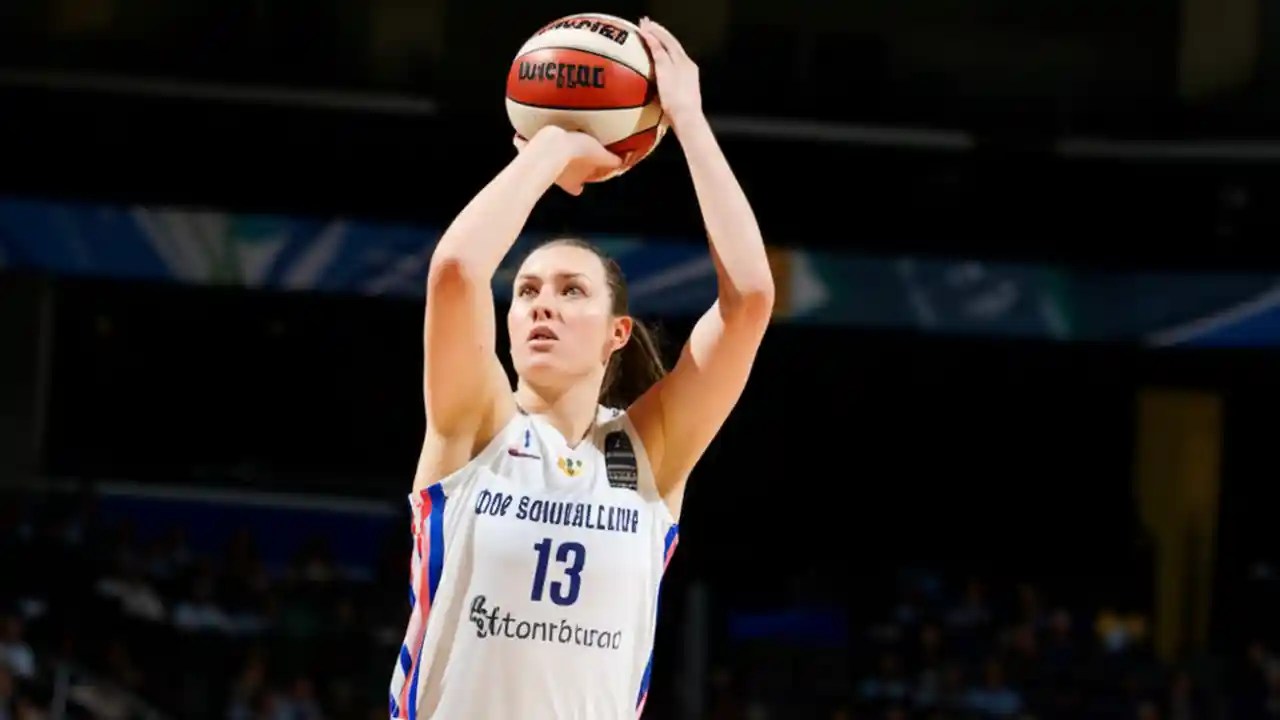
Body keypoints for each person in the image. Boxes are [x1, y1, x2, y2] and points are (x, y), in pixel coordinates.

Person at [388, 18, 774, 719]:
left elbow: (749, 299)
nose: (543, 304)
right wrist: (552, 149)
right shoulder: (474, 429)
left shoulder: (649, 453)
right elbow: (456, 271)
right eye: (526, 291)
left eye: (571, 292)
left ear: (616, 333)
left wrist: (688, 120)